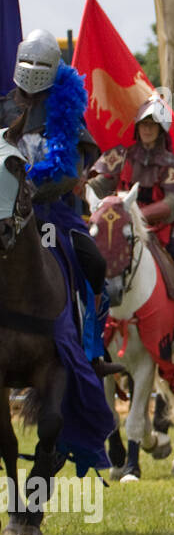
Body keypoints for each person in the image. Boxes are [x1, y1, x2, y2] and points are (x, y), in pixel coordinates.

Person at [1, 29, 123, 378]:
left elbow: (72, 168)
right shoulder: (3, 109)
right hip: (4, 210)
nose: (34, 69)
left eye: (41, 64)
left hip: (53, 213)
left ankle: (92, 349)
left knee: (93, 263)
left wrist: (33, 189)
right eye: (29, 62)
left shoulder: (66, 109)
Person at [89, 94, 174, 361]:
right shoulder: (120, 156)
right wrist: (95, 196)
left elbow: (172, 205)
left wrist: (133, 214)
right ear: (137, 128)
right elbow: (97, 183)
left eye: (152, 125)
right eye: (143, 125)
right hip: (117, 233)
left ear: (161, 129)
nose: (147, 129)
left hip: (159, 233)